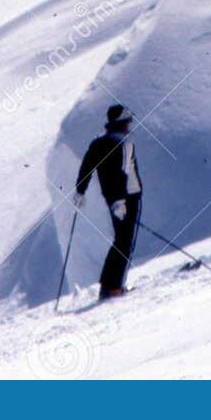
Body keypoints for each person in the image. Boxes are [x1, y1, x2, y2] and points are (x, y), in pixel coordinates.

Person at [74, 104, 143, 300]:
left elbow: (87, 166)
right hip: (128, 197)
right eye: (128, 122)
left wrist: (81, 190)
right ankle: (112, 288)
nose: (130, 126)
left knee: (120, 240)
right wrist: (121, 201)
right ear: (122, 123)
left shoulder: (97, 143)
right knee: (124, 242)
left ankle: (109, 285)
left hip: (113, 198)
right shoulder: (124, 143)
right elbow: (121, 173)